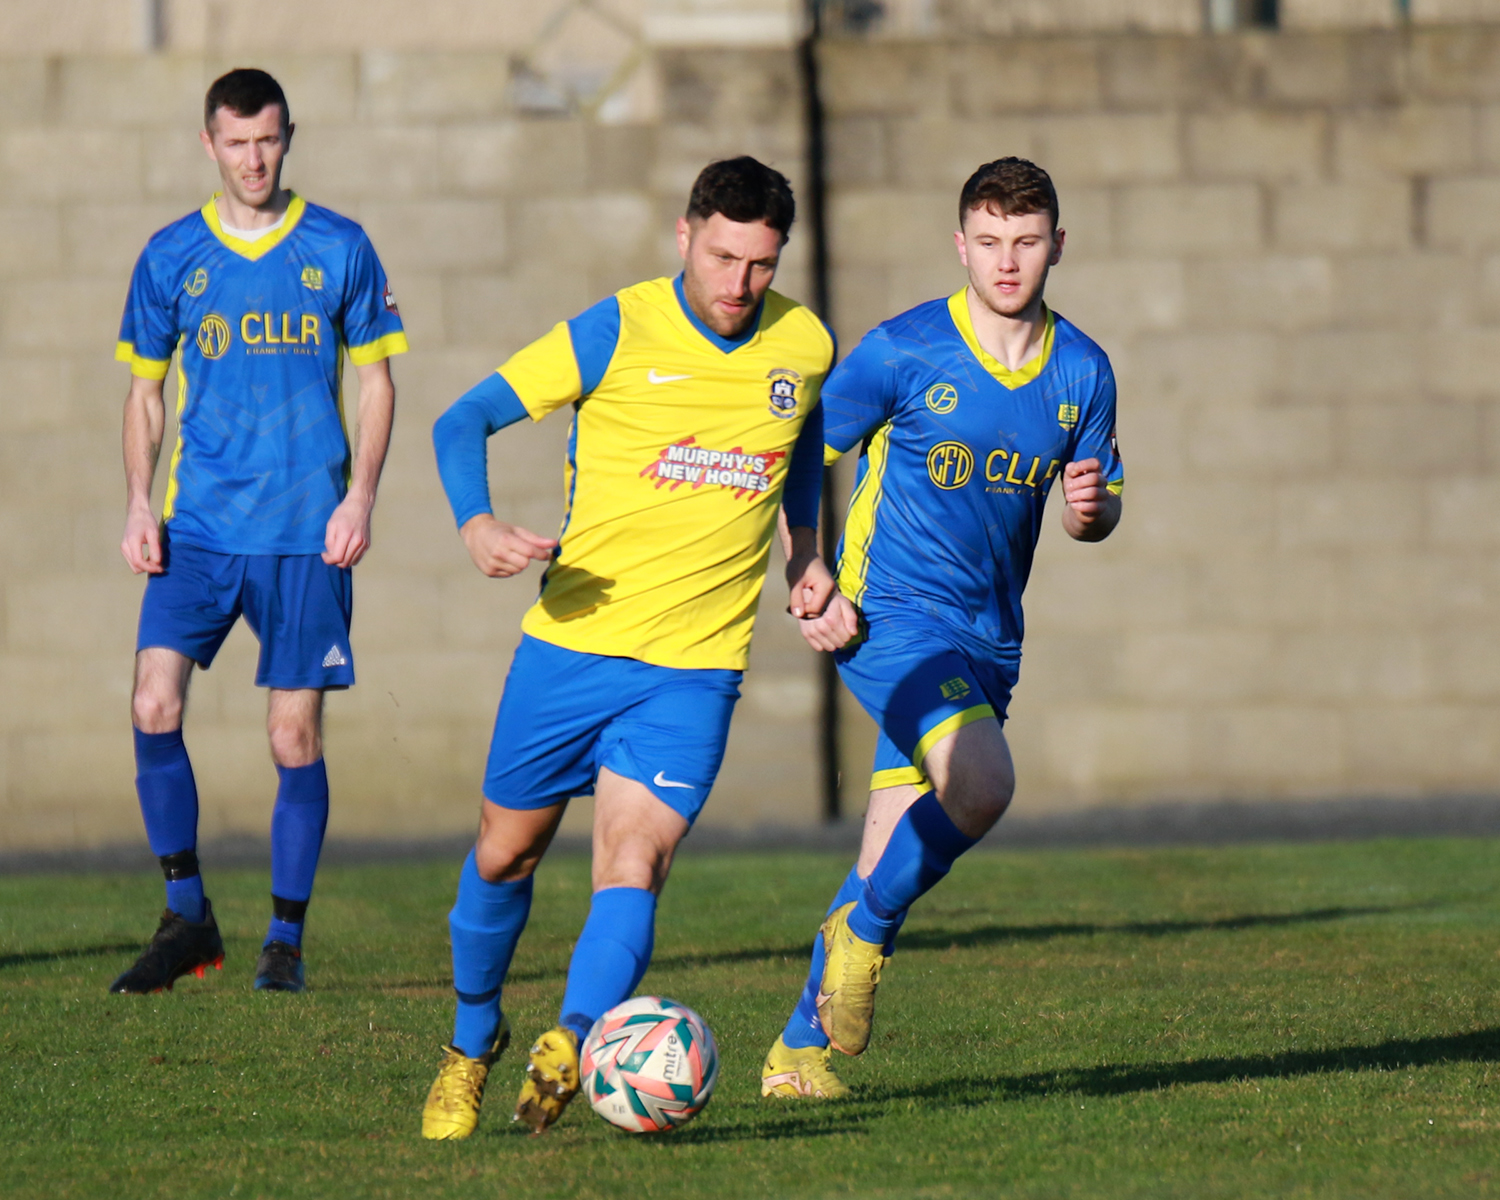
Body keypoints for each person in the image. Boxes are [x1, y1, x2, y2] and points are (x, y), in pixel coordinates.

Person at [421, 156, 836, 1139]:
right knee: (504, 856)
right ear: (684, 234)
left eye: (761, 265)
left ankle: (570, 1041)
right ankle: (469, 1045)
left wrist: (807, 557)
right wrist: (477, 525)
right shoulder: (617, 326)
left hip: (694, 670)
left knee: (634, 862)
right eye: (724, 256)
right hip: (570, 648)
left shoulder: (806, 344)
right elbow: (461, 418)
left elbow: (806, 452)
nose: (739, 285)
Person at [760, 157, 1123, 1098]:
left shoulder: (1083, 370)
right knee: (983, 782)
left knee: (890, 854)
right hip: (889, 618)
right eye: (990, 242)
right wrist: (808, 569)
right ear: (961, 245)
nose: (1008, 262)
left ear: (1057, 247)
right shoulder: (905, 350)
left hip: (989, 643)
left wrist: (1091, 511)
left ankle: (796, 1056)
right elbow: (803, 451)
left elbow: (1100, 503)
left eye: (1027, 242)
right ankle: (863, 934)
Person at [110, 68, 407, 996]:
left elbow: (377, 384)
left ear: (288, 137)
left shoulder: (340, 247)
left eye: (268, 140)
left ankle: (284, 941)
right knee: (152, 704)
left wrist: (359, 497)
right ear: (210, 144)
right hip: (197, 526)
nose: (253, 158)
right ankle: (188, 917)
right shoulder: (169, 258)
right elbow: (145, 396)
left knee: (293, 738)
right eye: (236, 143)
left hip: (302, 536)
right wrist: (135, 501)